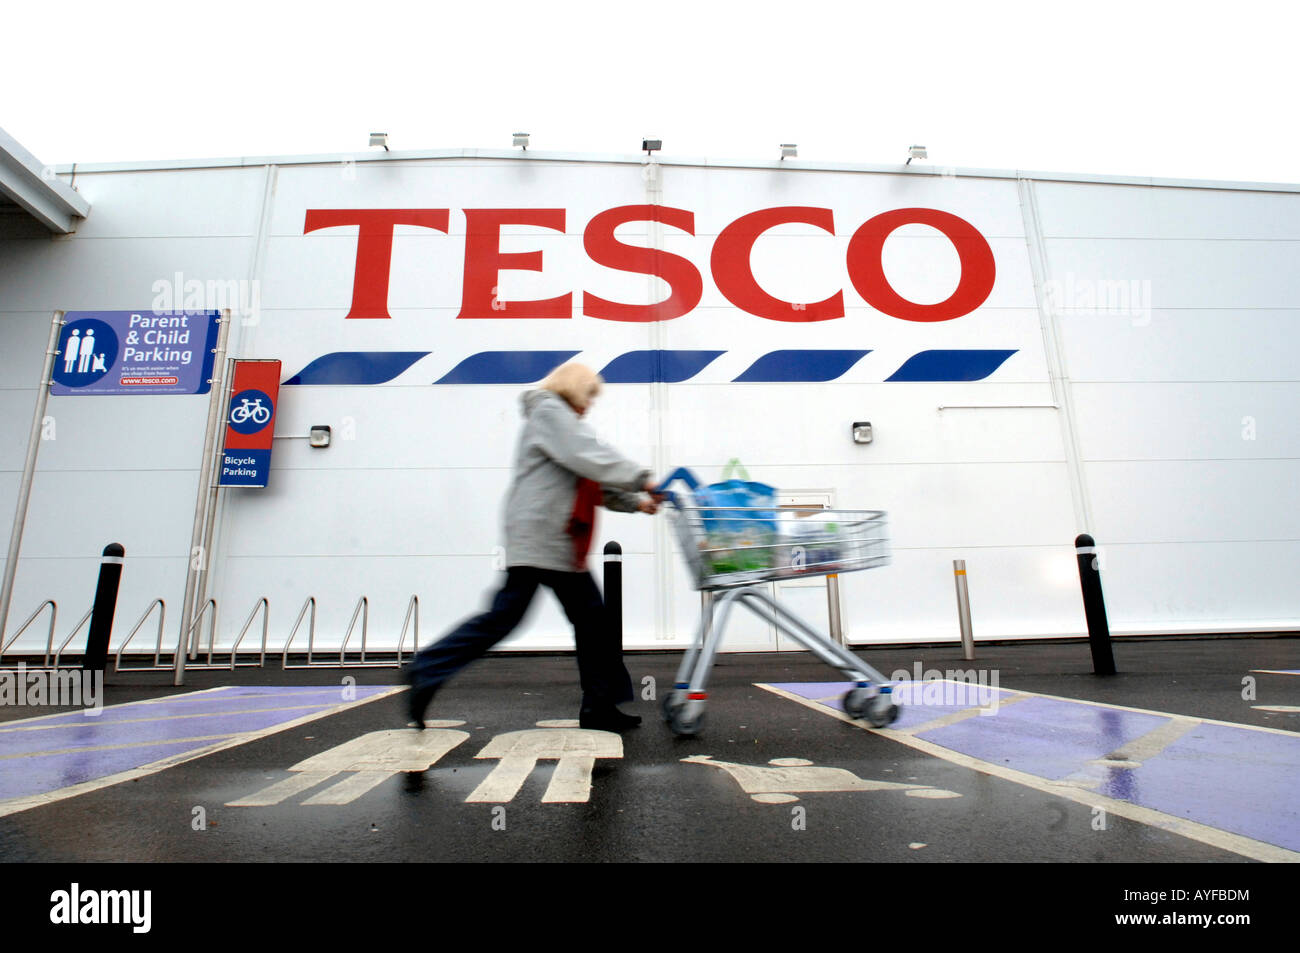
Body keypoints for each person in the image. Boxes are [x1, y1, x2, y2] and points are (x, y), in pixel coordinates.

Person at [405, 362, 662, 732]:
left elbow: (589, 479)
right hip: (545, 537)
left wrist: (637, 501)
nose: (589, 405)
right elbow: (587, 456)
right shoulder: (550, 412)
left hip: (553, 539)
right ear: (573, 388)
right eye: (588, 395)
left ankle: (599, 706)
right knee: (520, 619)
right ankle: (426, 669)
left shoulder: (559, 422)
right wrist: (643, 479)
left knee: (585, 622)